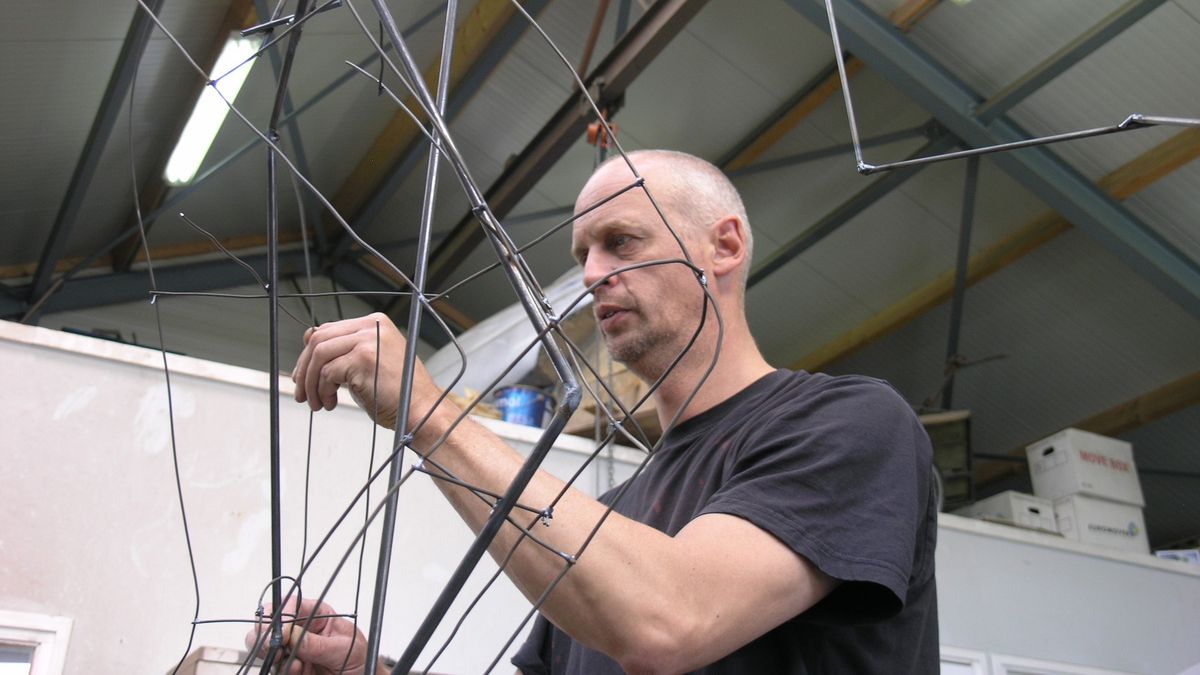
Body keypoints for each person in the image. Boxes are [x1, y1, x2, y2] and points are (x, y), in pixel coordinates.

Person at [250, 150, 939, 674]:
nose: (589, 274)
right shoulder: (612, 522)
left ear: (723, 246)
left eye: (622, 241)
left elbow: (671, 617)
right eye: (583, 254)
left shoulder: (848, 423)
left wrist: (428, 411)